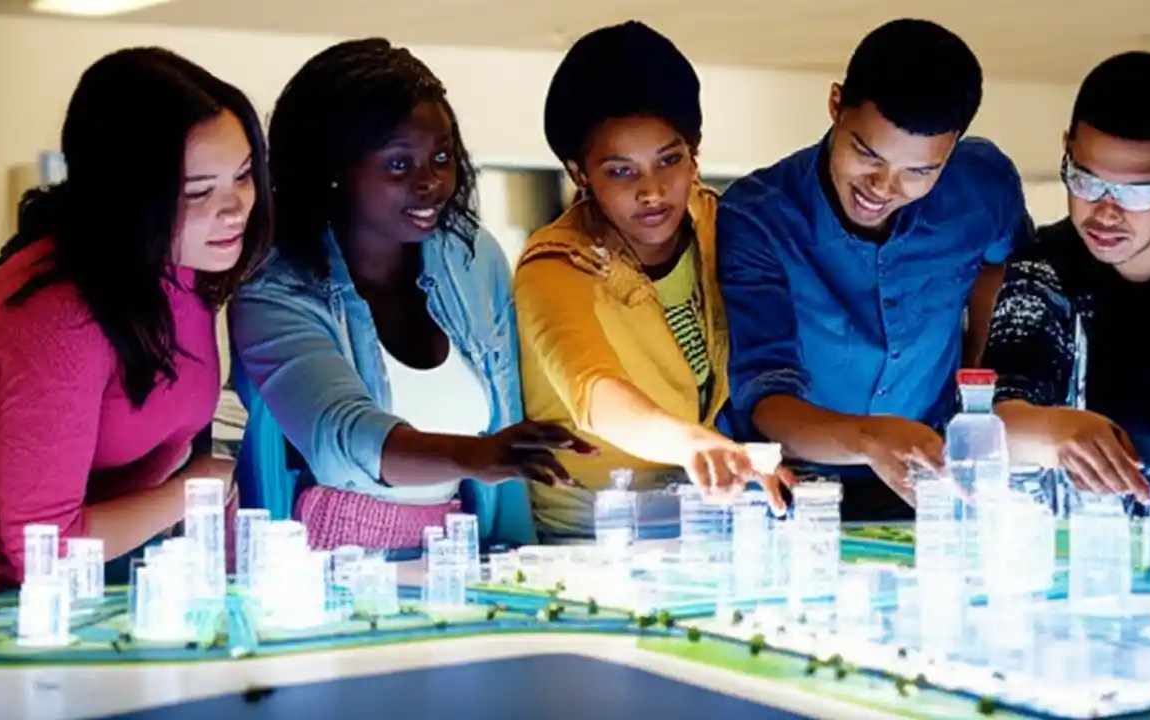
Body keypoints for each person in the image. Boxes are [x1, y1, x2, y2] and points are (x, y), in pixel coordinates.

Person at [230, 38, 593, 553]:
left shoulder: (471, 258)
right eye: (399, 164)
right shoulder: (274, 291)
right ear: (334, 169)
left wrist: (518, 559)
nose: (431, 182)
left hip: (457, 550)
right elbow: (341, 436)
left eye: (442, 156)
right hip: (318, 561)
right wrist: (475, 456)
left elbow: (507, 430)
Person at [0, 47, 272, 588]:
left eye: (243, 175)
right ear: (130, 197)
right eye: (198, 191)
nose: (235, 208)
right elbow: (46, 551)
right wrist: (196, 488)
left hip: (96, 578)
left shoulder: (181, 264)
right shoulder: (58, 313)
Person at [716, 18, 1033, 520]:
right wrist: (869, 440)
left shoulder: (983, 186)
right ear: (835, 104)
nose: (883, 187)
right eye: (867, 155)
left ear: (951, 150)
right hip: (793, 487)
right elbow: (764, 396)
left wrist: (974, 381)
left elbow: (1002, 267)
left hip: (930, 473)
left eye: (919, 171)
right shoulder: (758, 216)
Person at [517, 21, 792, 542]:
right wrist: (694, 445)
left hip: (704, 515)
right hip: (589, 532)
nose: (652, 191)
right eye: (621, 171)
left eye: (669, 160)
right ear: (579, 173)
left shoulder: (720, 226)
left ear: (695, 152)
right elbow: (595, 395)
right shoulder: (554, 264)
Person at [985, 52, 1150, 501]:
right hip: (1103, 527)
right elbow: (998, 417)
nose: (1105, 212)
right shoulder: (1045, 270)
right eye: (1086, 180)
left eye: (1136, 192)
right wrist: (1051, 430)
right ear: (1067, 150)